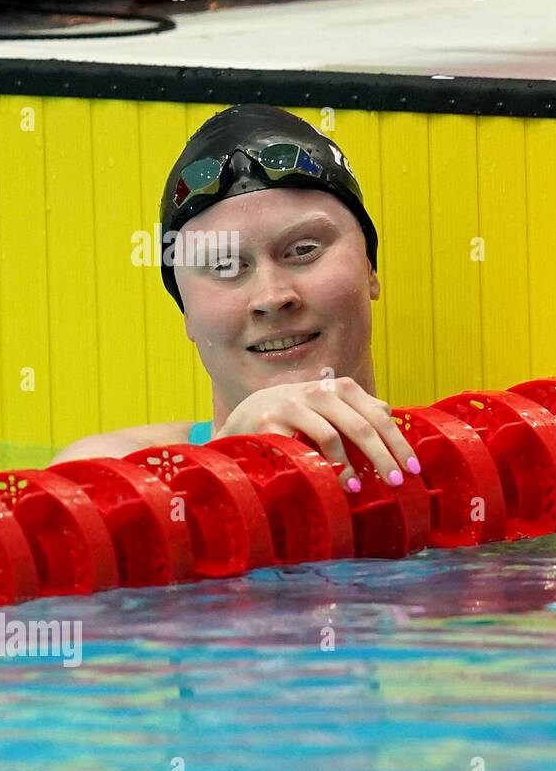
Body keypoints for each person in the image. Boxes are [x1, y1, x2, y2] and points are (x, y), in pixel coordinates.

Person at [50, 105, 419, 493]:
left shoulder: (466, 460)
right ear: (186, 312)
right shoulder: (109, 478)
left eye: (303, 249)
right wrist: (228, 465)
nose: (273, 297)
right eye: (225, 266)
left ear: (369, 268)